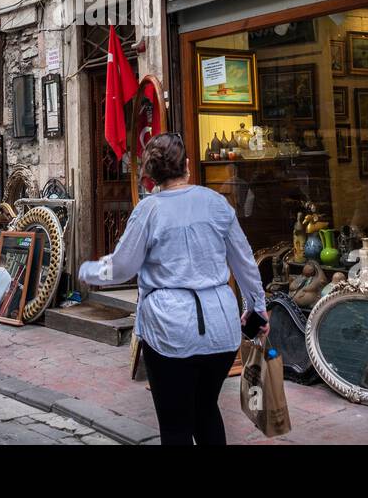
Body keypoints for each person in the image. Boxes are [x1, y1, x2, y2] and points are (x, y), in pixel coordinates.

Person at [78, 133, 268, 446]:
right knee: (206, 410)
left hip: (170, 330)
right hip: (221, 331)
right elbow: (245, 262)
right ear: (187, 166)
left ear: (152, 175)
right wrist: (257, 308)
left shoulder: (149, 210)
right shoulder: (216, 203)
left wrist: (88, 271)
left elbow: (123, 267)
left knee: (176, 424)